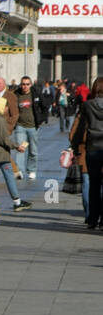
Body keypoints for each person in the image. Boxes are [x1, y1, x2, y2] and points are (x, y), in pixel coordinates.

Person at [0, 96, 32, 211]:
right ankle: (17, 202)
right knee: (10, 177)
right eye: (5, 107)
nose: (6, 109)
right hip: (2, 155)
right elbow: (3, 139)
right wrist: (16, 146)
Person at [74, 77, 103, 230]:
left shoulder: (87, 105)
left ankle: (92, 218)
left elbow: (81, 128)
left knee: (94, 184)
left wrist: (75, 147)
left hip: (92, 147)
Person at [10, 76, 42, 180]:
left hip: (33, 127)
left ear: (30, 84)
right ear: (20, 84)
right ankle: (19, 171)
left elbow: (44, 105)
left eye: (27, 84)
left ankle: (32, 170)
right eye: (23, 84)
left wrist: (41, 119)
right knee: (21, 149)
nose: (25, 86)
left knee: (33, 150)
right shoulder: (16, 94)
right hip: (20, 127)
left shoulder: (35, 93)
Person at [68, 84, 93, 223]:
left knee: (87, 183)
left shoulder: (84, 109)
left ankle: (90, 215)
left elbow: (73, 133)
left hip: (84, 151)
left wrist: (75, 146)